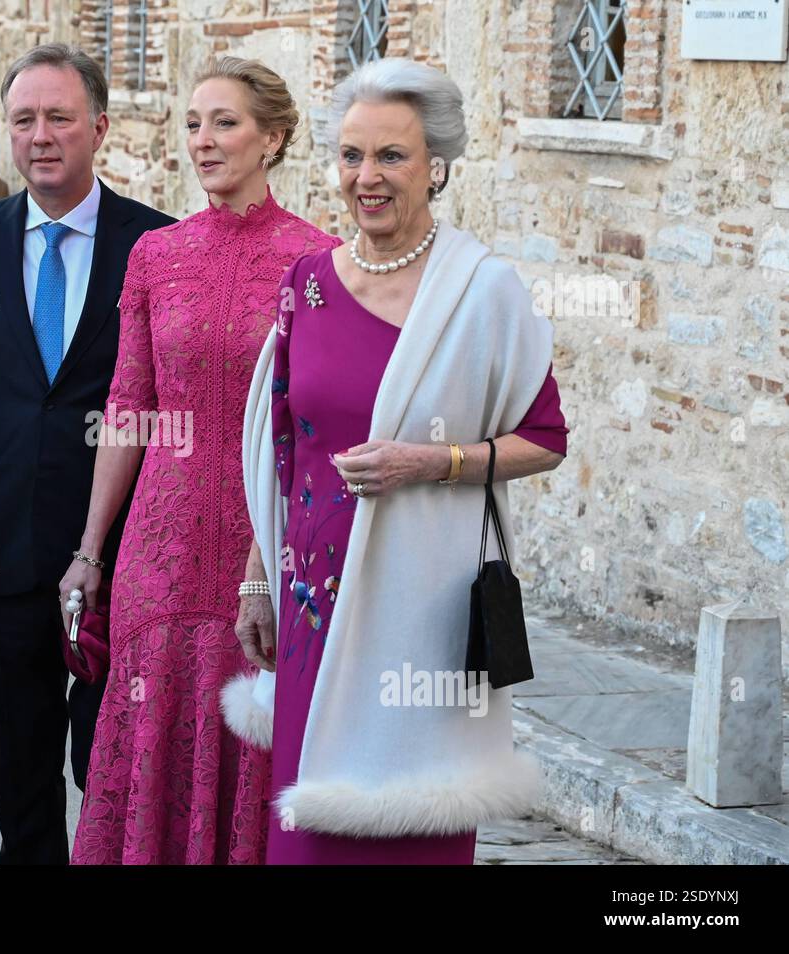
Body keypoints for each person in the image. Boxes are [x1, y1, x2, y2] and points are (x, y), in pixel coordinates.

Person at [225, 57, 567, 865]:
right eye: (351, 155)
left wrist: (431, 462)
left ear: (436, 166)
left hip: (424, 617)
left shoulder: (483, 292)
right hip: (314, 610)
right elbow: (282, 449)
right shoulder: (305, 284)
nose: (366, 177)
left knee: (411, 829)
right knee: (313, 837)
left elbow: (544, 439)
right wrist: (256, 577)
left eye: (391, 156)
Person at [61, 57, 338, 865]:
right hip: (160, 548)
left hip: (268, 547)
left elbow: (312, 427)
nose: (203, 140)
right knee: (152, 733)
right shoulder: (154, 254)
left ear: (274, 137)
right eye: (192, 123)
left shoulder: (318, 265)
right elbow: (127, 407)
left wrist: (270, 560)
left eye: (224, 122)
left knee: (253, 742)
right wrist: (90, 550)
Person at [0, 44, 174, 864]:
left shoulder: (157, 244)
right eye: (24, 120)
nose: (41, 136)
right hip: (1, 551)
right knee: (23, 771)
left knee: (106, 763)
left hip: (120, 557)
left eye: (59, 118)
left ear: (99, 128)